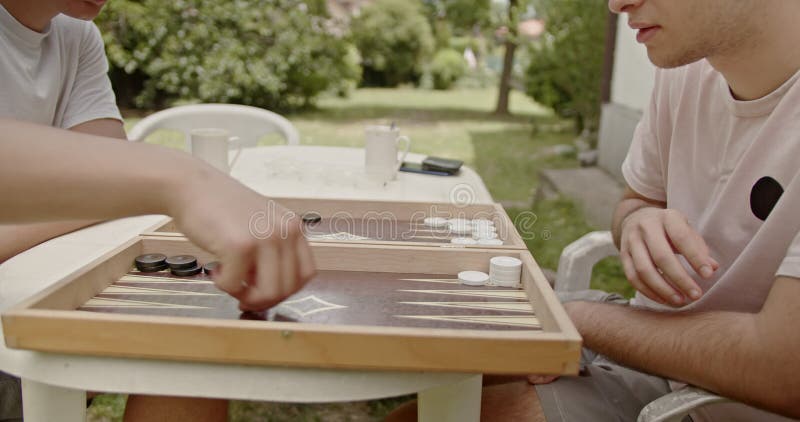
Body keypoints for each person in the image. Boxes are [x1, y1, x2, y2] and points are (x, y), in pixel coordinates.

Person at [388, 0, 800, 421]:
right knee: (436, 357)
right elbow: (635, 202)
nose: (616, 4)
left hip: (720, 402)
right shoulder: (686, 72)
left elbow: (783, 372)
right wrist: (638, 220)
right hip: (648, 352)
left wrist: (580, 318)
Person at [0, 1, 315, 420]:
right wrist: (176, 179)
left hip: (38, 295)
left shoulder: (76, 36)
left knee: (193, 338)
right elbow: (112, 184)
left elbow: (110, 171)